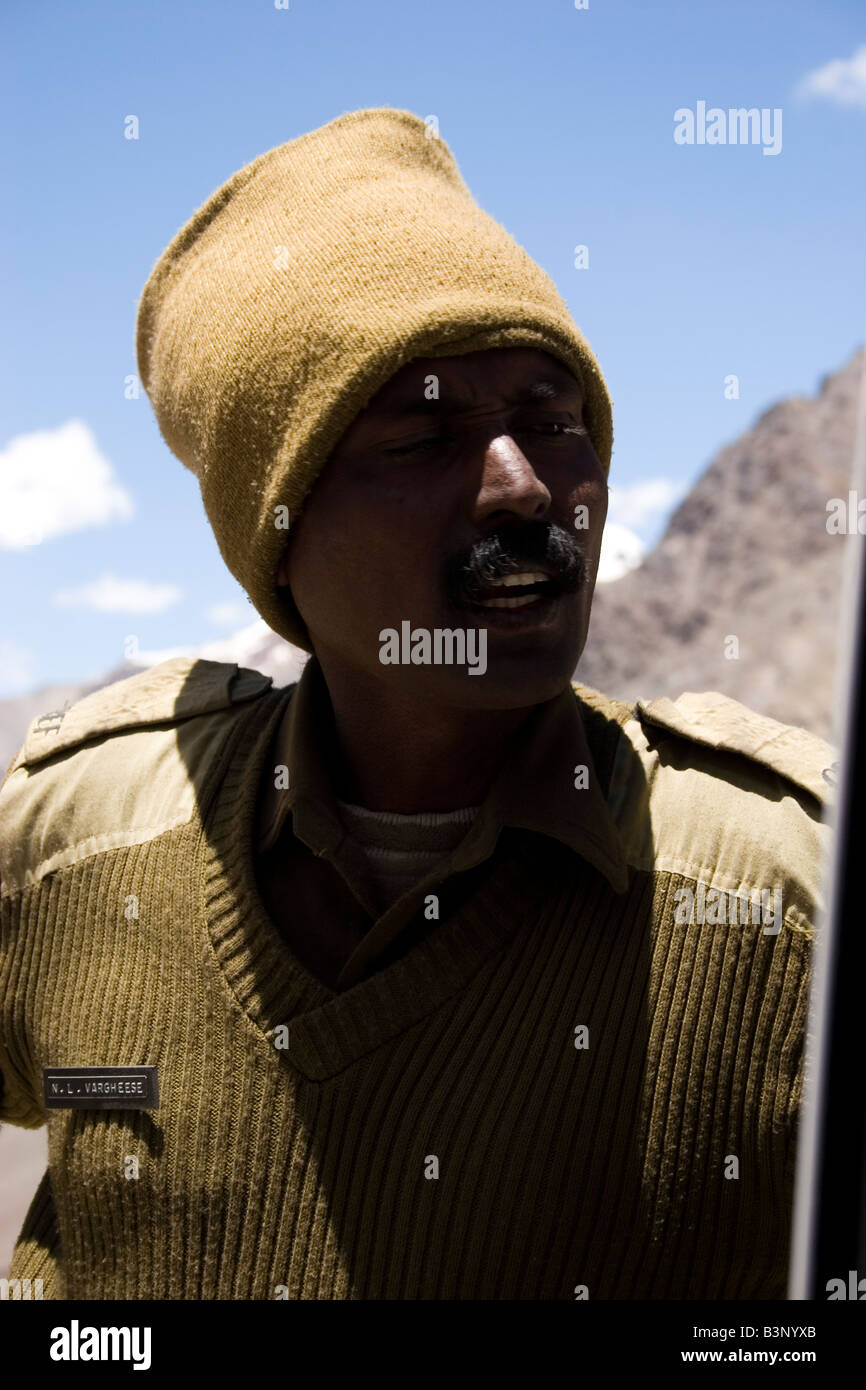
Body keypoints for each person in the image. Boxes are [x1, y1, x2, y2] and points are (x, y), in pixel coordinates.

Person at [0, 107, 833, 1300]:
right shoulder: (83, 842)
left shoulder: (778, 896)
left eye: (553, 422)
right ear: (278, 536)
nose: (519, 485)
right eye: (422, 435)